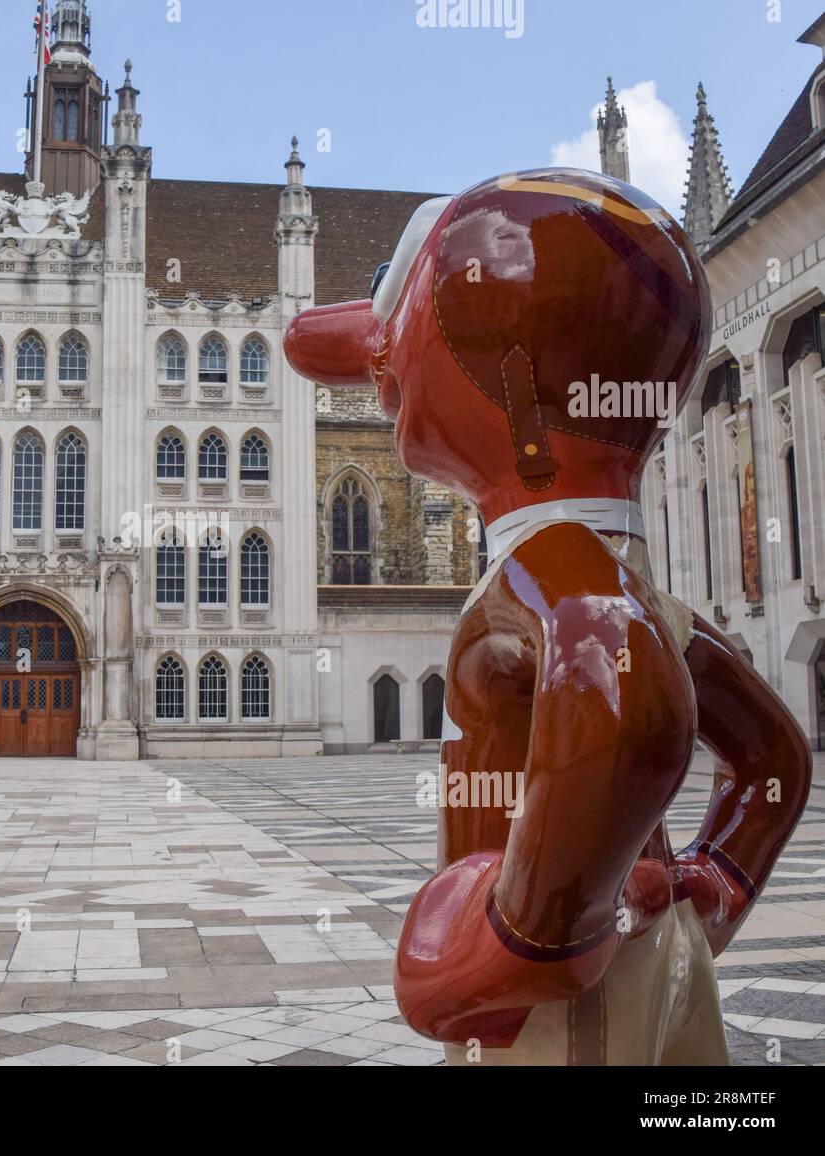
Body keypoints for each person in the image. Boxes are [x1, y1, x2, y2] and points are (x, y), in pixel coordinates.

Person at [285, 169, 812, 1065]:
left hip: (561, 1005)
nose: (381, 375)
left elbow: (628, 704)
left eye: (395, 349)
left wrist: (516, 944)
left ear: (520, 391)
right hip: (650, 947)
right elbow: (773, 759)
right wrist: (714, 879)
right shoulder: (643, 593)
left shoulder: (546, 569)